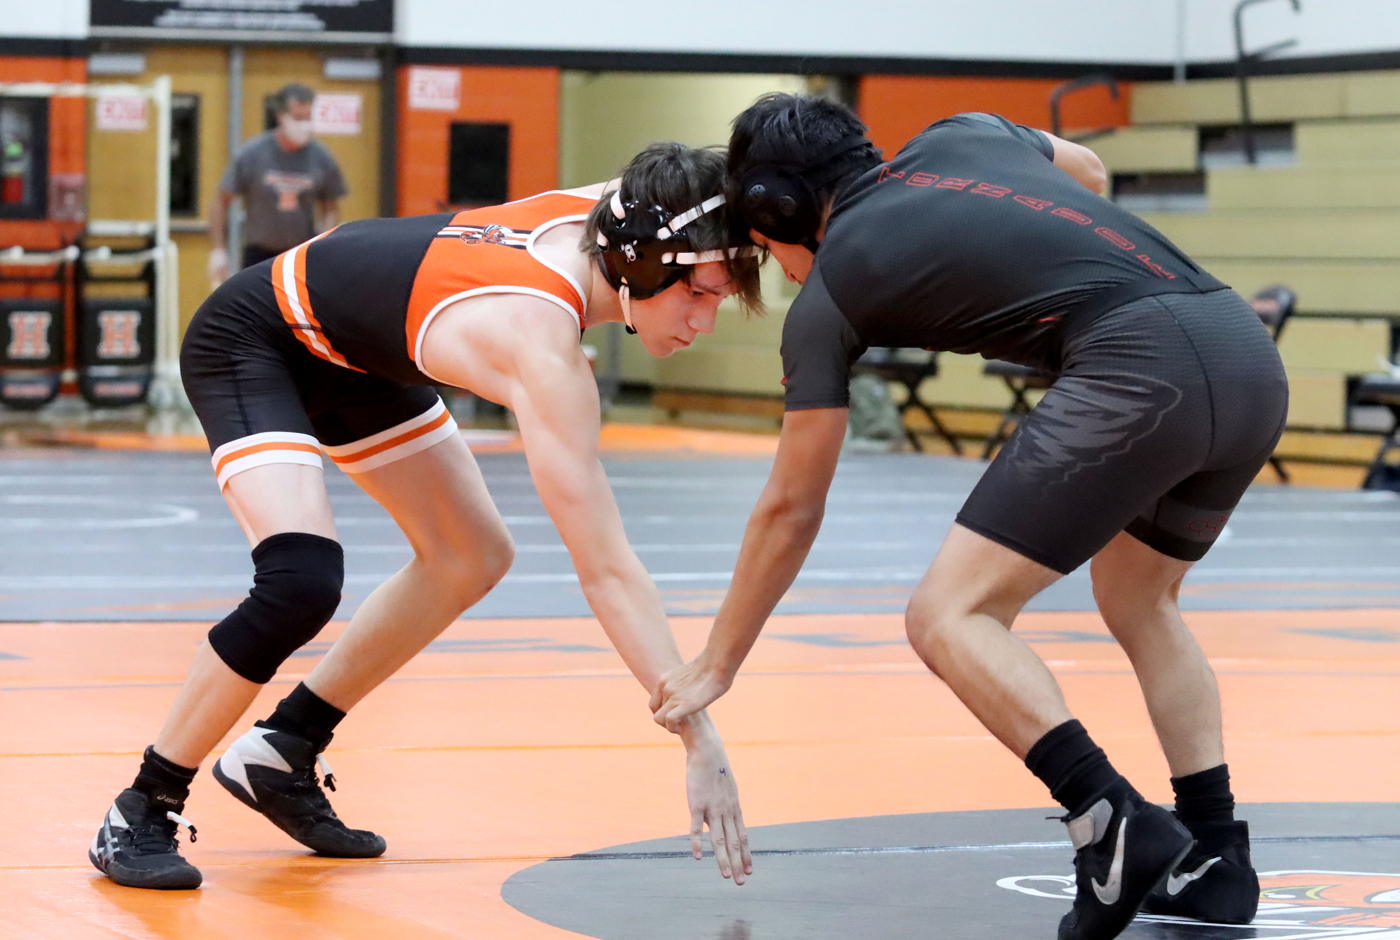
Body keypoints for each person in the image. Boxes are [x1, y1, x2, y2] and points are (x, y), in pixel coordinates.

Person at [649, 94, 1288, 940]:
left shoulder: (831, 290)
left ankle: (1108, 819)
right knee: (1140, 598)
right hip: (1241, 347)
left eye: (768, 248)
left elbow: (791, 505)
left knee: (948, 615)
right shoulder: (967, 132)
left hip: (1137, 366)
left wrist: (719, 659)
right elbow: (1089, 171)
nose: (782, 269)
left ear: (783, 210)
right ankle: (1216, 856)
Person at [90, 143, 758, 891]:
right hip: (259, 335)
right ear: (639, 264)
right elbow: (604, 567)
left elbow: (708, 174)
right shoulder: (540, 347)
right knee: (300, 582)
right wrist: (696, 733)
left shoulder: (628, 207)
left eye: (719, 296)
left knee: (471, 554)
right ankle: (141, 806)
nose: (706, 319)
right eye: (698, 294)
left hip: (362, 352)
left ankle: (284, 747)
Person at [208, 83, 348, 285]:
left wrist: (327, 246)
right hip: (258, 255)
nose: (304, 125)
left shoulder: (322, 158)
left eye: (308, 118)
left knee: (296, 316)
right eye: (298, 118)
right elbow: (221, 202)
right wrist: (218, 251)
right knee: (257, 314)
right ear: (281, 117)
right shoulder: (252, 154)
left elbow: (331, 209)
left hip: (301, 256)